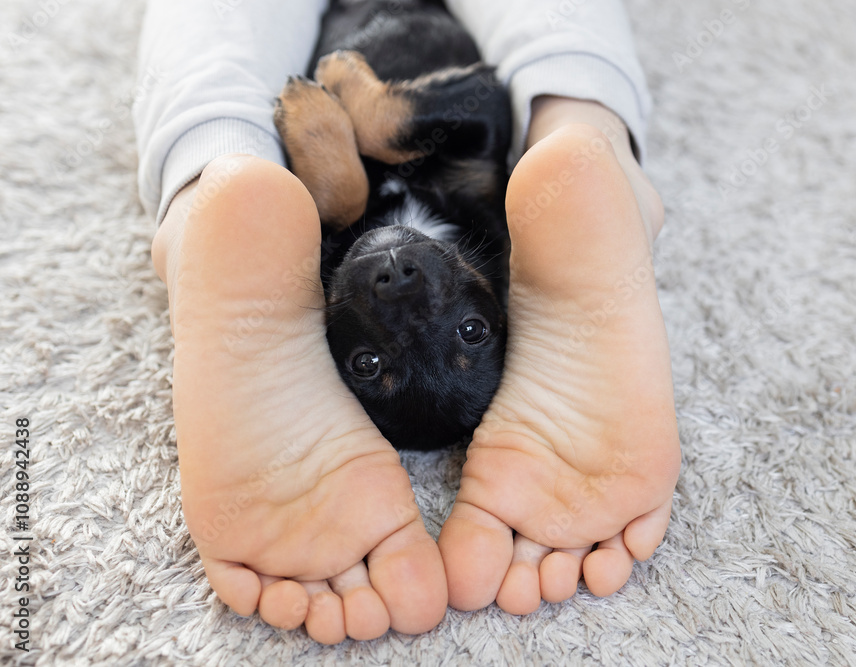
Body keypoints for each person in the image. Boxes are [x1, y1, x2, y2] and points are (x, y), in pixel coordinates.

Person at [135, 0, 680, 644]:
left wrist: (336, 203)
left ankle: (205, 195)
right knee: (558, 155)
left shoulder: (332, 263)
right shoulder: (491, 235)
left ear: (328, 365)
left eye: (369, 364)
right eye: (470, 333)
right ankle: (588, 136)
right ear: (506, 316)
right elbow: (480, 103)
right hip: (427, 64)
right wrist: (378, 123)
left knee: (229, 51)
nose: (400, 297)